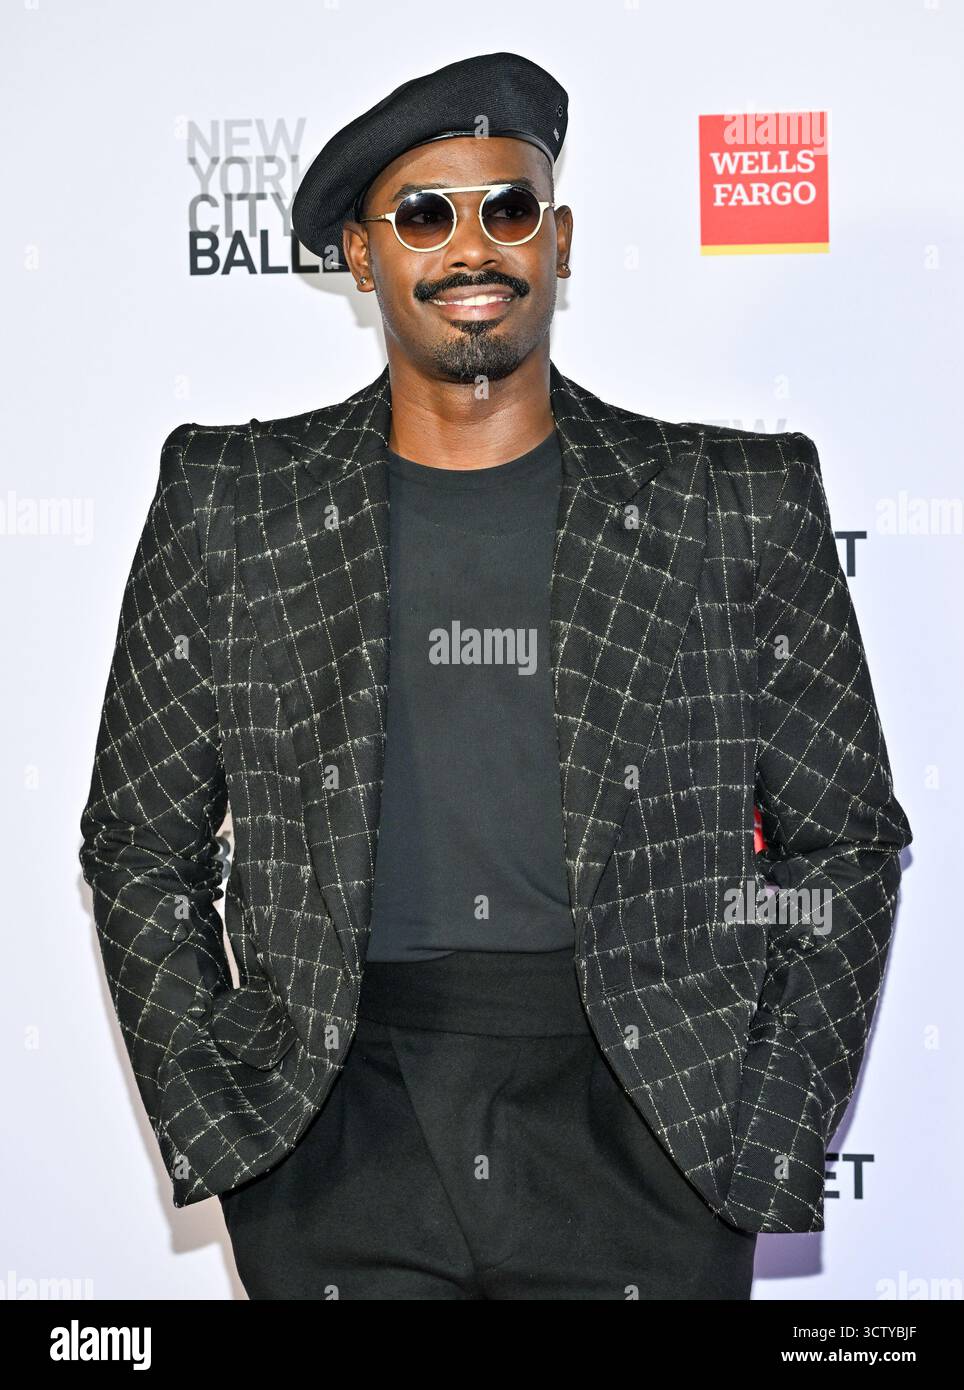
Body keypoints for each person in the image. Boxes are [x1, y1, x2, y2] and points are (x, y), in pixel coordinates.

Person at [78, 51, 913, 1300]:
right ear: (363, 258)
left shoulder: (734, 504)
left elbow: (844, 842)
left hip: (646, 1132)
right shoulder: (231, 504)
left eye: (507, 207)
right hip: (340, 1130)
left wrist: (765, 1127)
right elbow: (138, 841)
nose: (473, 246)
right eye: (424, 214)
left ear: (560, 240)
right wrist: (231, 1117)